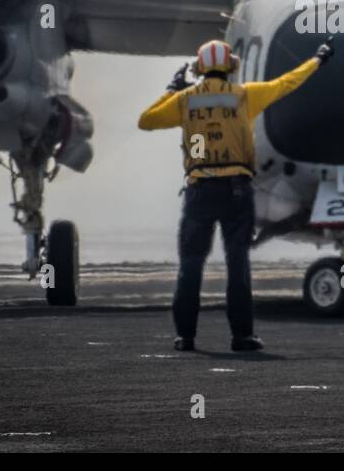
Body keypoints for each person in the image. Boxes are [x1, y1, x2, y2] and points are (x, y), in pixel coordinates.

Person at [138, 37, 333, 352]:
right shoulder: (244, 95)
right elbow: (288, 83)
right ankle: (241, 336)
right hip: (236, 191)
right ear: (230, 66)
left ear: (200, 67)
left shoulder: (185, 100)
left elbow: (145, 121)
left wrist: (171, 90)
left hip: (199, 190)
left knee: (190, 265)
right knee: (237, 265)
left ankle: (185, 336)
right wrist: (319, 59)